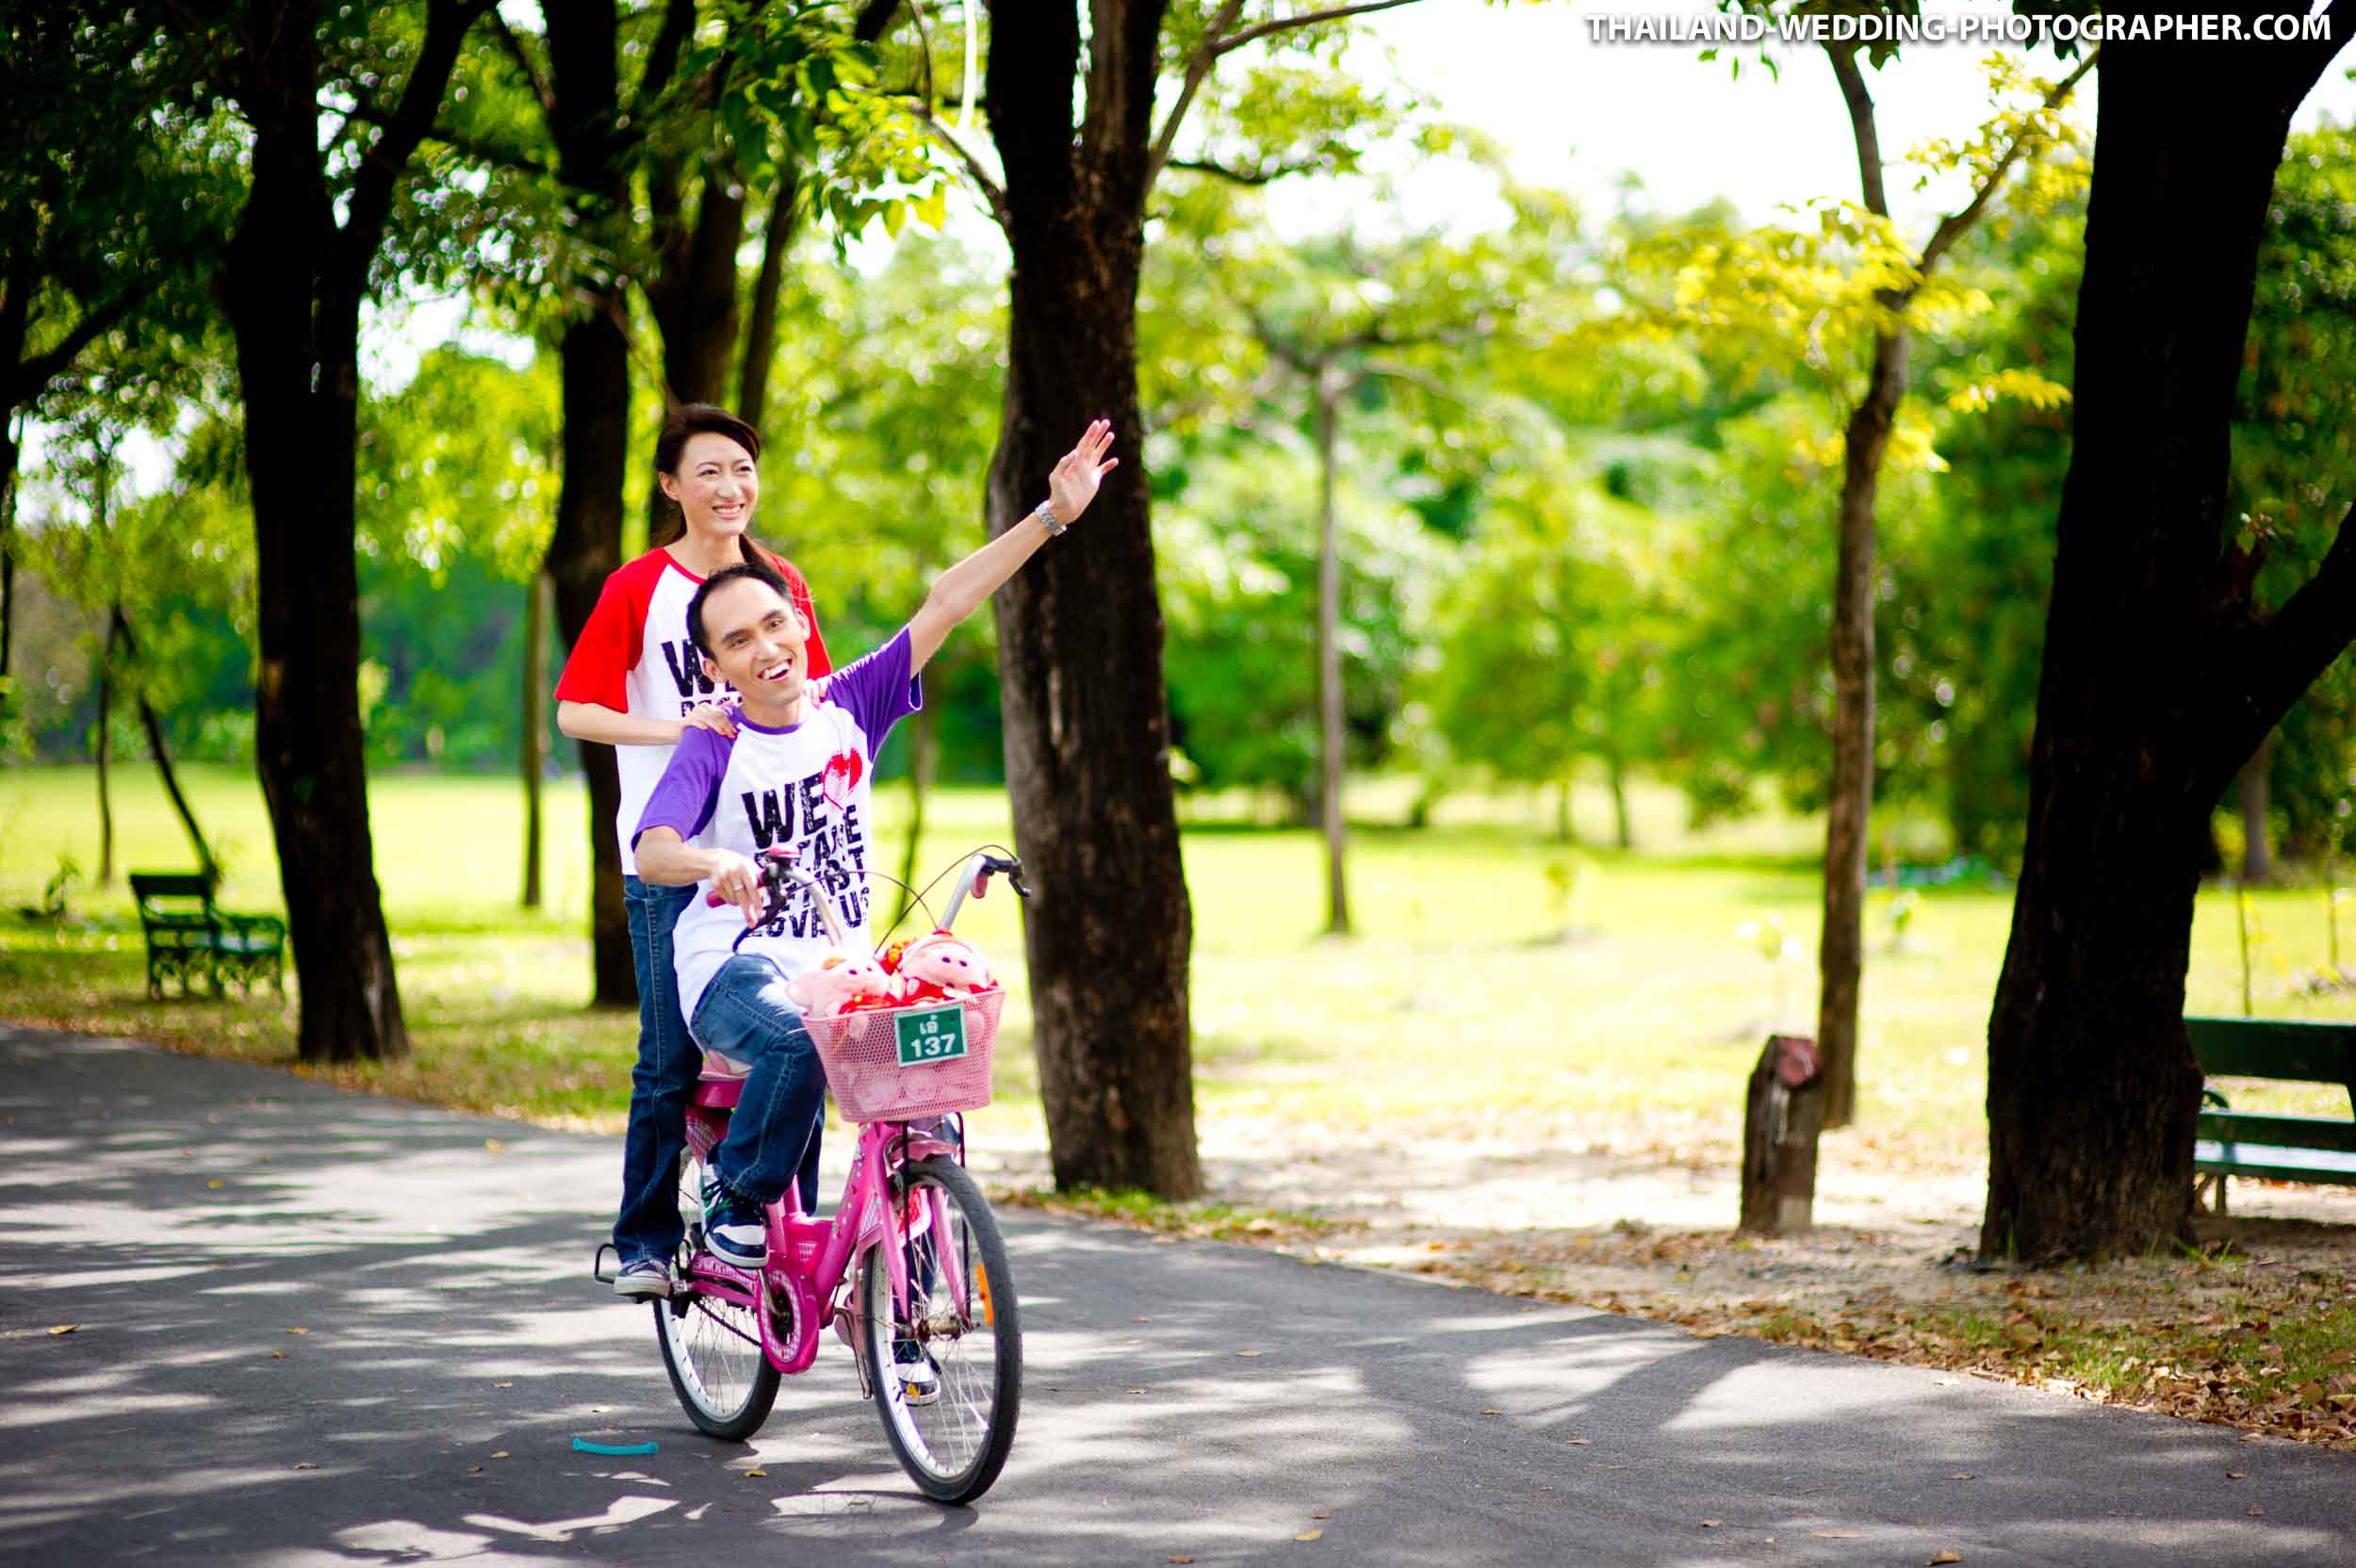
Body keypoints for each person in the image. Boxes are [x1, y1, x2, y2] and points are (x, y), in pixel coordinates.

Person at [630, 419, 1118, 1285]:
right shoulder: (712, 742)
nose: (766, 648)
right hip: (735, 970)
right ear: (714, 667)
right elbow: (658, 848)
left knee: (930, 1081)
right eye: (738, 641)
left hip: (841, 964)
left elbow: (948, 602)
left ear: (797, 623)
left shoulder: (849, 702)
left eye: (775, 624)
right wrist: (716, 865)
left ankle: (916, 1318)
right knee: (796, 1042)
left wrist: (1052, 514)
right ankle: (735, 1202)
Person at [554, 403, 833, 1303]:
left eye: (743, 470)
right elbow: (576, 712)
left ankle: (786, 1235)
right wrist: (683, 729)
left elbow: (817, 695)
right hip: (671, 862)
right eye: (708, 471)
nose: (730, 488)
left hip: (779, 856)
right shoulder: (640, 586)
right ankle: (644, 1238)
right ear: (673, 487)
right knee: (670, 1059)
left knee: (815, 1035)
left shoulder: (778, 580)